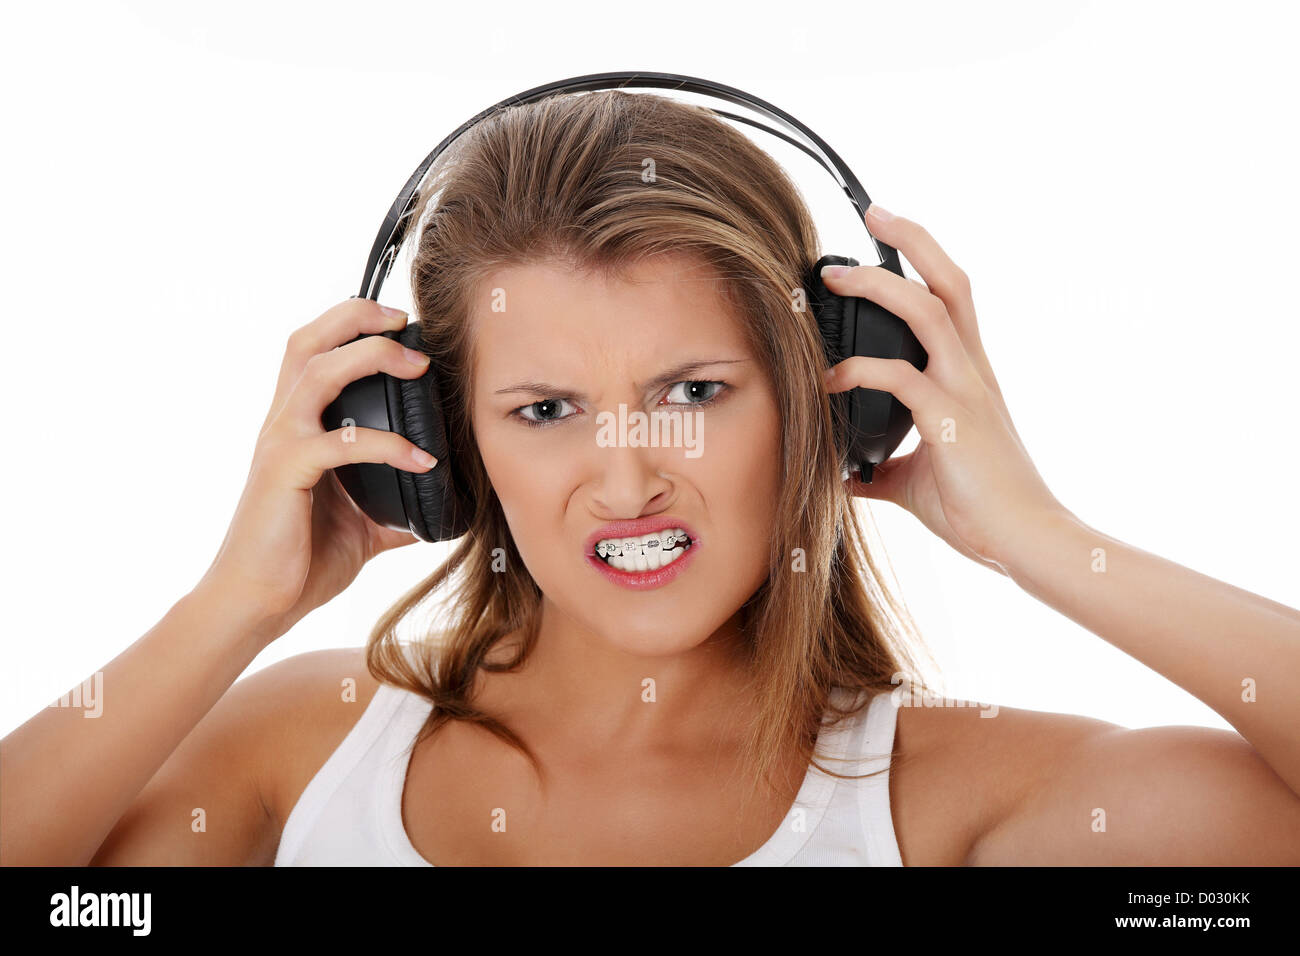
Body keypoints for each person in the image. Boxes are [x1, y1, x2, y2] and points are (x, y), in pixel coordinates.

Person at [3, 90, 1298, 867]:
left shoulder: (954, 802)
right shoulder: (309, 751)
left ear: (827, 400)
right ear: (441, 444)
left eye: (694, 391)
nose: (627, 481)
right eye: (547, 408)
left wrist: (1038, 538)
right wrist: (229, 607)